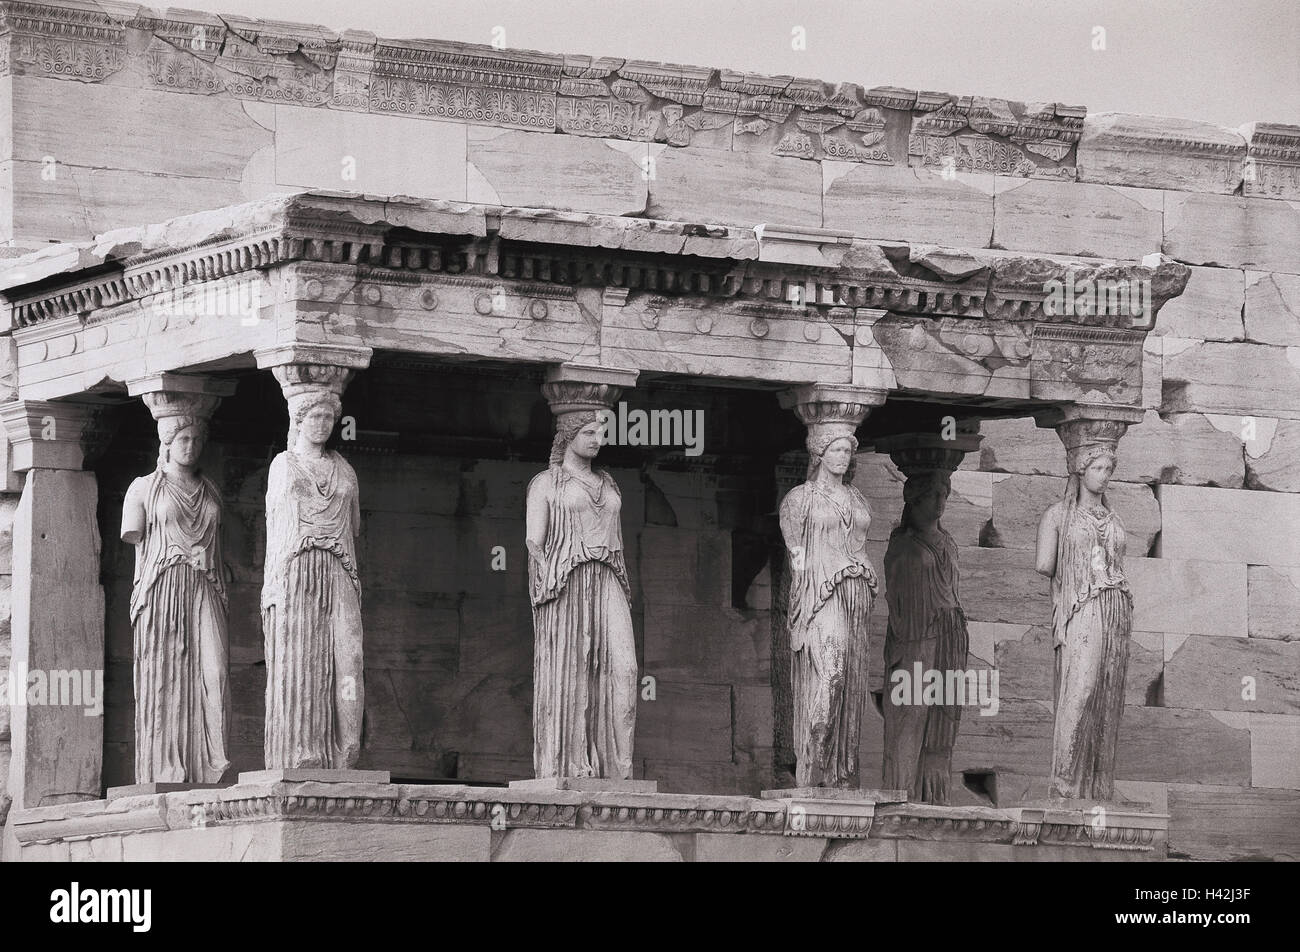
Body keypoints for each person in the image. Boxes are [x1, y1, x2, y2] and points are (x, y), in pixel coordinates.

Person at [525, 411, 637, 779]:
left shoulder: (609, 483)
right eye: (588, 432)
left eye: (600, 433)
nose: (596, 439)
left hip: (609, 577)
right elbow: (533, 542)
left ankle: (617, 769)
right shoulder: (546, 482)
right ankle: (569, 763)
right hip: (567, 580)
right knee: (572, 668)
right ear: (568, 436)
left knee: (625, 669)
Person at [122, 404, 230, 783]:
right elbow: (134, 535)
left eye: (198, 440)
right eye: (184, 439)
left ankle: (212, 761)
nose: (191, 446)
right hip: (163, 586)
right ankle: (166, 767)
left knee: (213, 670)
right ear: (166, 443)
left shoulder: (211, 488)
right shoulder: (143, 488)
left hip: (205, 585)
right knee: (167, 671)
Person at [262, 391, 364, 769]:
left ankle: (347, 750)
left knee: (347, 657)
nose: (322, 424)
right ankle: (301, 753)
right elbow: (275, 527)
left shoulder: (345, 470)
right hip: (296, 569)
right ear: (299, 420)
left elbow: (354, 526)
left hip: (339, 568)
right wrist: (274, 585)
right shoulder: (283, 466)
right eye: (315, 417)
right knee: (301, 656)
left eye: (328, 418)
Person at [779, 427, 877, 788]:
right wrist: (803, 592)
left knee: (851, 680)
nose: (843, 457)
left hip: (857, 592)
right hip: (820, 592)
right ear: (820, 454)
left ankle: (839, 773)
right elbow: (796, 552)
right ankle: (815, 760)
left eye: (848, 451)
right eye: (835, 450)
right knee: (831, 674)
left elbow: (861, 542)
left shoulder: (857, 498)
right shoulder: (799, 499)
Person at [1035, 441, 1132, 800]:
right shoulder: (1058, 515)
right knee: (1082, 688)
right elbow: (1045, 563)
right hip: (1081, 606)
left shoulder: (1114, 518)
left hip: (1116, 606)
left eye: (1109, 470)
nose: (1104, 477)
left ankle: (1097, 788)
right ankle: (1063, 785)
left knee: (1108, 694)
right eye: (1098, 469)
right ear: (1081, 470)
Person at [882, 471, 966, 804]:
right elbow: (896, 597)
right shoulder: (902, 543)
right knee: (912, 712)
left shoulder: (949, 543)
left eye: (944, 494)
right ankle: (901, 792)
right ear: (913, 500)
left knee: (943, 713)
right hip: (916, 638)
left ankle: (934, 797)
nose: (940, 502)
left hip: (951, 633)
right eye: (933, 495)